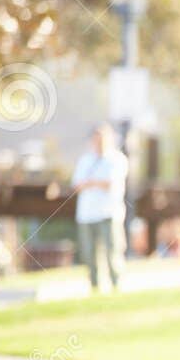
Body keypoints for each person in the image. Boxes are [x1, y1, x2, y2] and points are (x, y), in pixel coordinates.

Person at [71, 125, 128, 293]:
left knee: (112, 250)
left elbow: (109, 183)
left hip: (108, 213)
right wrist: (94, 182)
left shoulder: (117, 159)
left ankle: (116, 284)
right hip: (86, 215)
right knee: (89, 253)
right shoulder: (85, 160)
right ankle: (95, 285)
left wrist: (90, 182)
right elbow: (77, 185)